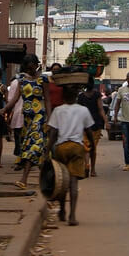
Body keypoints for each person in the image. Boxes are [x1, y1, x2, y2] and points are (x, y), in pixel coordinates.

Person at [48, 79, 96, 226]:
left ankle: (62, 209)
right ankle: (72, 216)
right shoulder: (83, 110)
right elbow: (88, 130)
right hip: (76, 147)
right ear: (76, 97)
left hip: (61, 148)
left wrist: (48, 149)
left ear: (63, 97)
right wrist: (92, 146)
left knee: (62, 181)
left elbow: (53, 132)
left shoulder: (57, 110)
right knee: (73, 182)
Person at [1, 53, 49, 189]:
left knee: (31, 147)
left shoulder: (43, 80)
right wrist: (5, 109)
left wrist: (50, 118)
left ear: (36, 65)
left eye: (32, 67)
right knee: (40, 150)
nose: (30, 70)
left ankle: (24, 179)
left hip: (40, 118)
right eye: (27, 68)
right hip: (27, 119)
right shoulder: (21, 80)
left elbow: (48, 100)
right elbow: (15, 99)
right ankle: (50, 180)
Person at [77, 78, 108, 176]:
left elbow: (79, 112)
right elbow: (101, 109)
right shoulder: (97, 95)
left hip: (84, 125)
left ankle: (87, 165)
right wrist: (106, 122)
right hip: (96, 124)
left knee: (86, 147)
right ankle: (93, 170)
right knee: (93, 148)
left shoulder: (81, 96)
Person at [6, 74, 24, 171]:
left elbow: (10, 100)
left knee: (18, 139)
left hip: (18, 114)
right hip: (30, 115)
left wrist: (7, 113)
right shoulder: (37, 81)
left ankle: (19, 161)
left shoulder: (15, 83)